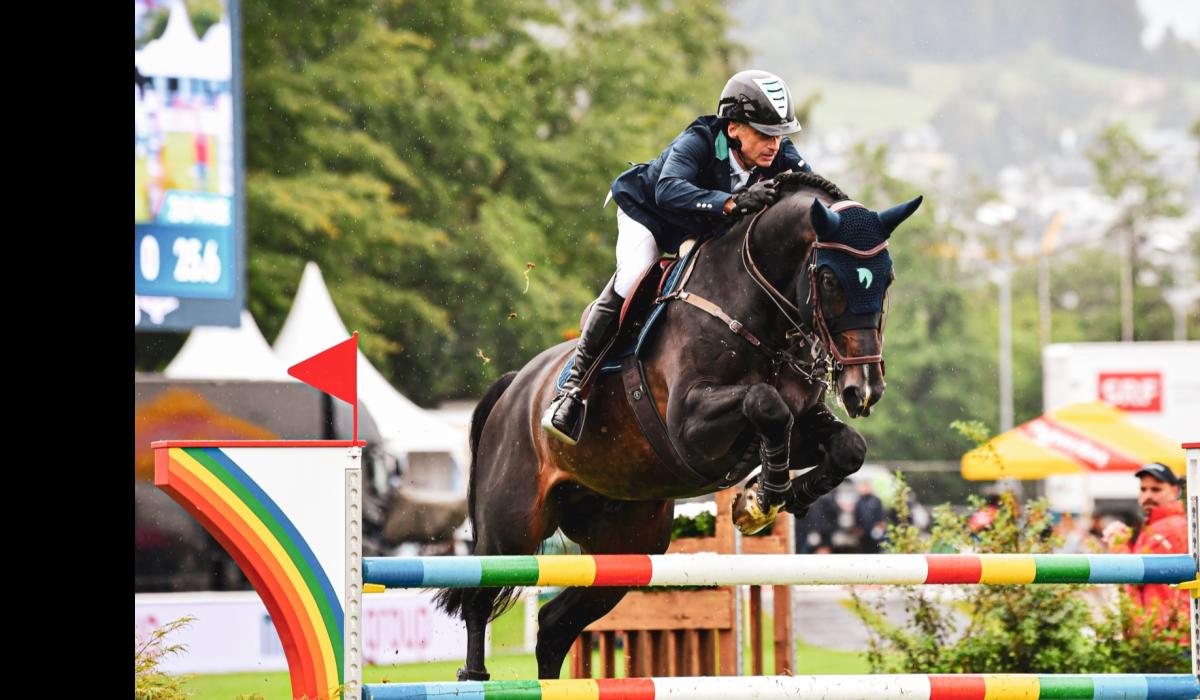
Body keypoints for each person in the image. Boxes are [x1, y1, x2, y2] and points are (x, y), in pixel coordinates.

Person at [542, 69, 814, 445]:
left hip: (699, 227)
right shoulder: (699, 140)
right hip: (649, 214)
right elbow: (668, 190)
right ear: (734, 128)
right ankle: (572, 391)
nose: (774, 143)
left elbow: (812, 192)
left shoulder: (779, 153)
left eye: (780, 134)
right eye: (765, 133)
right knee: (636, 274)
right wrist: (731, 202)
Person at [1101, 462, 1189, 636]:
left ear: (1175, 491)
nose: (1148, 495)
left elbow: (1133, 574)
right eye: (1143, 489)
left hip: (1167, 636)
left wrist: (1117, 542)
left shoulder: (1169, 528)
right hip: (1164, 632)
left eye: (1156, 490)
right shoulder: (1156, 526)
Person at [852, 479, 886, 554]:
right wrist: (857, 527)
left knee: (875, 548)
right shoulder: (859, 501)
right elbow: (856, 515)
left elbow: (880, 514)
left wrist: (879, 526)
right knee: (864, 549)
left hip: (874, 529)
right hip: (863, 531)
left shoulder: (876, 500)